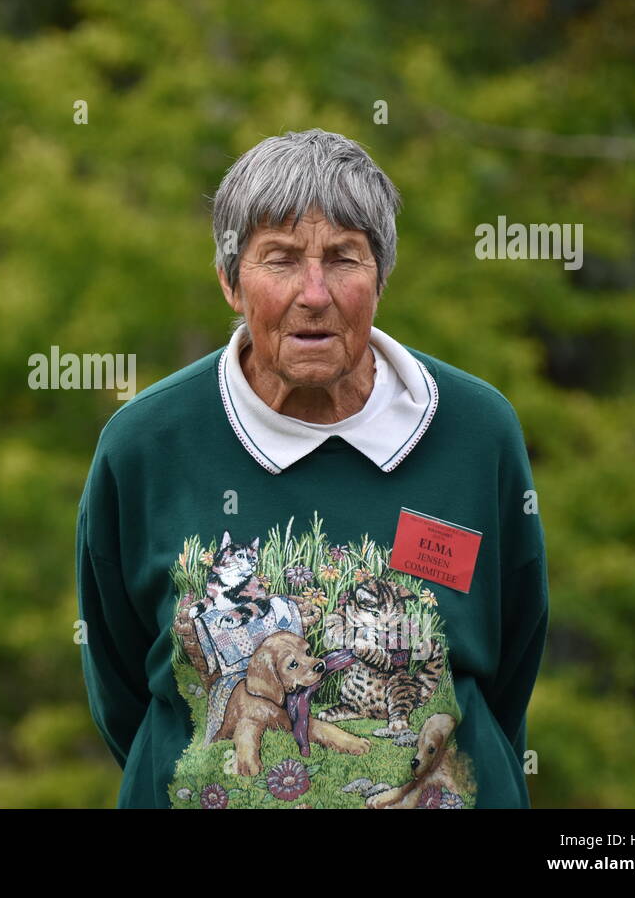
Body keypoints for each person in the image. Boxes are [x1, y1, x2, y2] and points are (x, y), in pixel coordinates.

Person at [76, 129, 549, 809]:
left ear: (381, 276)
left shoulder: (476, 431)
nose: (315, 292)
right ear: (229, 280)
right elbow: (125, 692)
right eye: (281, 259)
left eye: (344, 258)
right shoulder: (146, 444)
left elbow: (511, 666)